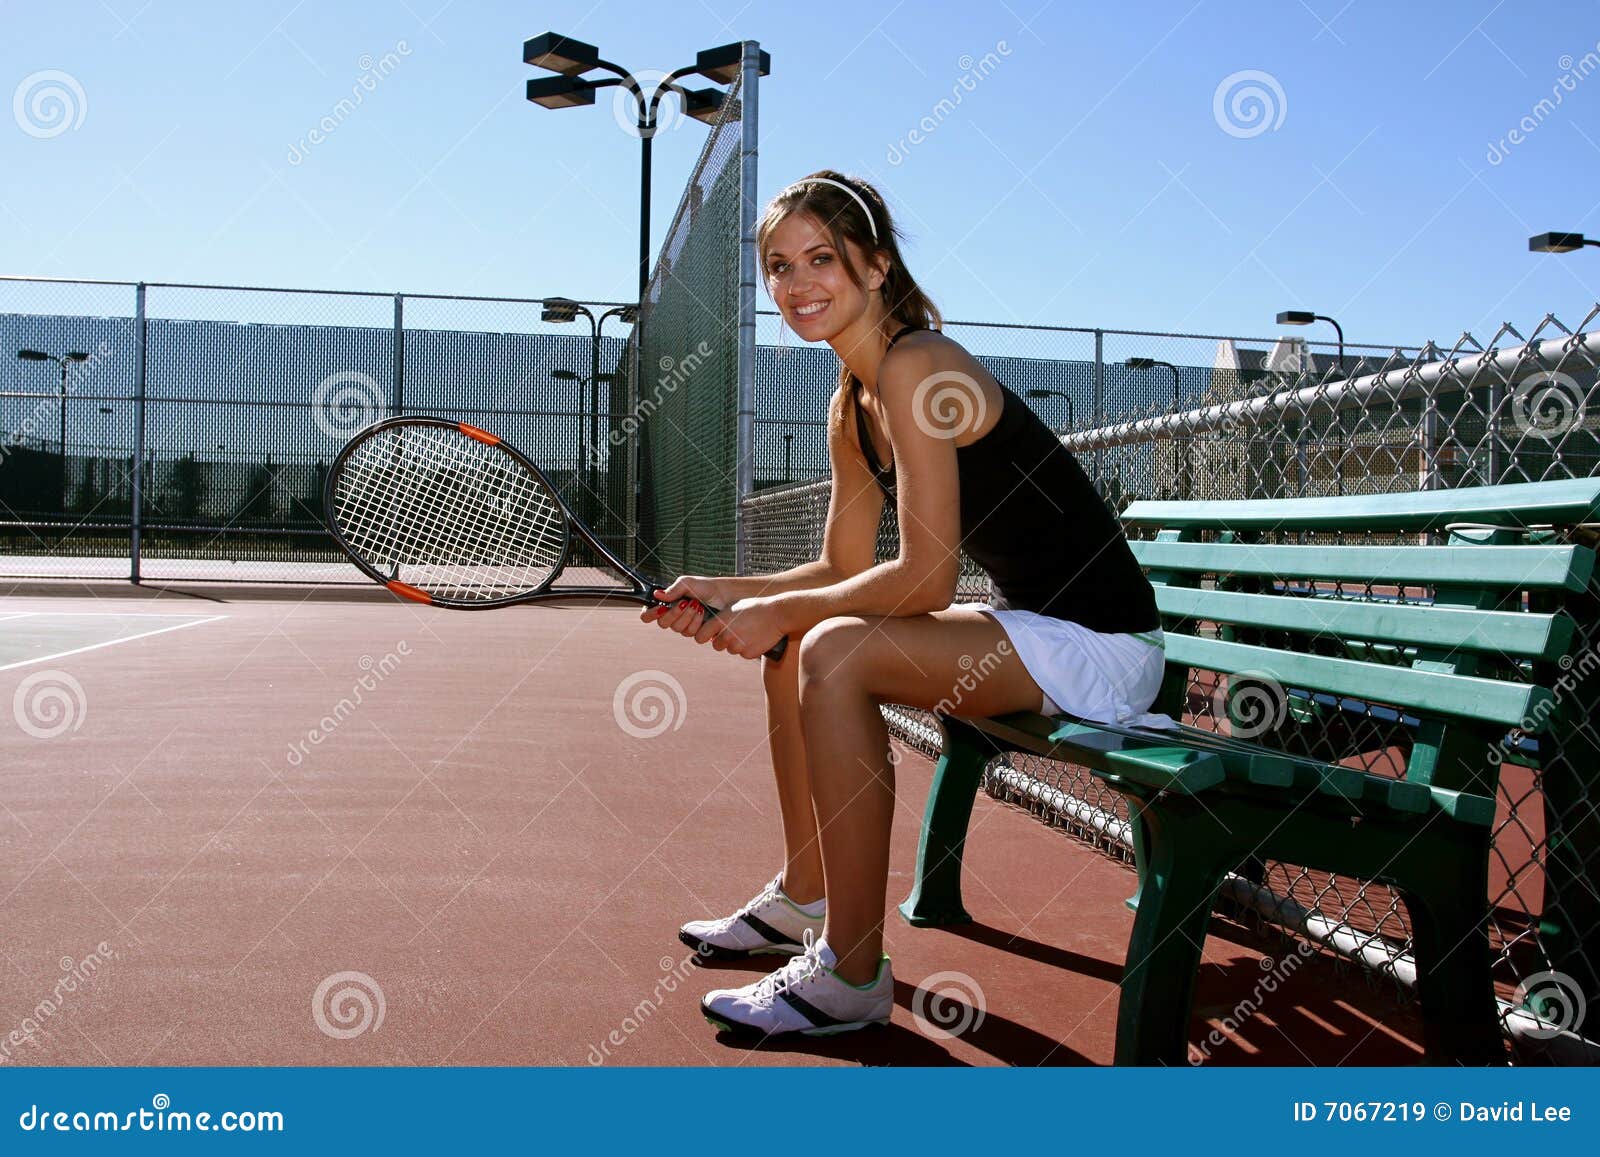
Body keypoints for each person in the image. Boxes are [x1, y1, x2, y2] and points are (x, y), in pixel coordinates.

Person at [641, 170, 1166, 1038]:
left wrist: (783, 613)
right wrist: (727, 591)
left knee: (830, 649)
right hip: (1033, 626)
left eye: (821, 258)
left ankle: (851, 975)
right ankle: (805, 895)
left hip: (1102, 642)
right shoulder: (852, 402)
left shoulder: (919, 366)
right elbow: (838, 565)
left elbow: (925, 577)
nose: (796, 284)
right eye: (778, 266)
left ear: (876, 266)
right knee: (798, 646)